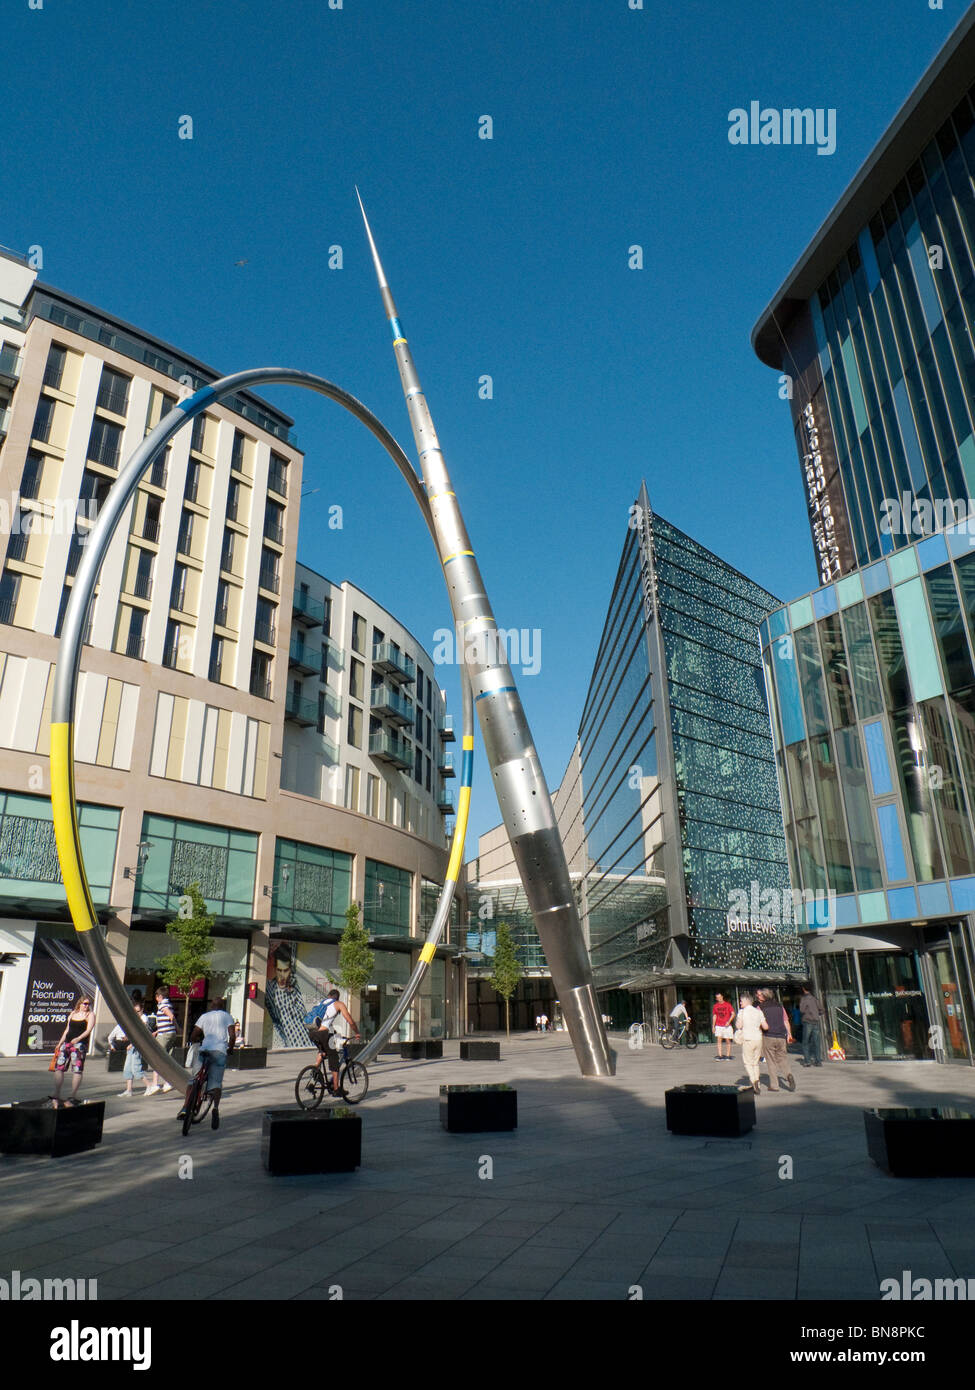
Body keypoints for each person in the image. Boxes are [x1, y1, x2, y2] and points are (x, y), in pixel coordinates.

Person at [178, 997, 236, 1130]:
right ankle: (215, 1108)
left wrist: (197, 1041)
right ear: (222, 1007)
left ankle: (186, 1107)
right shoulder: (227, 1016)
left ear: (211, 1006)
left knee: (193, 1079)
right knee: (216, 1083)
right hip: (219, 1051)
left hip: (204, 1050)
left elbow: (194, 1034)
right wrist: (230, 1049)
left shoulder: (204, 1016)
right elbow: (232, 1036)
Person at [306, 989, 360, 1097]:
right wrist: (357, 1032)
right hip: (324, 1034)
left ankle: (315, 1071)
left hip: (312, 1033)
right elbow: (349, 1020)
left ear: (329, 996)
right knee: (334, 1058)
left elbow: (326, 1023)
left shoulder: (322, 1003)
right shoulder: (338, 1004)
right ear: (337, 997)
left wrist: (334, 1033)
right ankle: (336, 1088)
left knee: (323, 1051)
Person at [265, 944, 312, 1047]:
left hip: (301, 1038)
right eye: (279, 970)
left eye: (286, 970)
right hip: (284, 1038)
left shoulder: (293, 983)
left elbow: (302, 1011)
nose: (282, 975)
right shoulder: (269, 987)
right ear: (275, 969)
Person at [52, 996, 95, 1107]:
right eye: (85, 1003)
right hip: (67, 1042)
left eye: (88, 1004)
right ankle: (56, 1093)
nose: (86, 1006)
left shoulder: (90, 1015)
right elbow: (67, 1030)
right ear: (80, 1003)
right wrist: (60, 1043)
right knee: (59, 1067)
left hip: (79, 1044)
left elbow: (88, 1030)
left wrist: (78, 1038)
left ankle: (73, 1095)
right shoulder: (73, 1013)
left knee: (77, 1069)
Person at [757, 988, 796, 1092]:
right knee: (782, 1058)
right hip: (781, 1036)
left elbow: (758, 1023)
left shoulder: (760, 1007)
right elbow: (786, 1021)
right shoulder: (780, 1006)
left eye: (760, 995)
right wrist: (789, 1034)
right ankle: (788, 1074)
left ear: (764, 996)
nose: (758, 997)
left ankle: (774, 1085)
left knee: (771, 1061)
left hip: (768, 1035)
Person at [145, 986, 178, 1095]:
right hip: (169, 1033)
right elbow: (167, 1020)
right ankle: (167, 1082)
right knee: (166, 1059)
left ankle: (155, 1084)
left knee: (157, 1058)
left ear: (159, 996)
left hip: (164, 1035)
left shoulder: (163, 1005)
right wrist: (158, 1031)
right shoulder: (169, 1004)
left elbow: (171, 1016)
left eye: (156, 997)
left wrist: (175, 1026)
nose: (156, 999)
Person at [118, 1002, 153, 1098]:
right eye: (134, 1011)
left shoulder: (144, 1019)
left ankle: (149, 1085)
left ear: (142, 1010)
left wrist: (132, 1043)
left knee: (136, 1069)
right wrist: (127, 1038)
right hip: (132, 1045)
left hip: (137, 1046)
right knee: (127, 1069)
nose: (136, 1013)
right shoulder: (134, 1019)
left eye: (138, 1011)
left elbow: (140, 1034)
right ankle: (129, 1090)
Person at [736, 991, 767, 1093]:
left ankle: (754, 1081)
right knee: (755, 1062)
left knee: (748, 1062)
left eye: (741, 1001)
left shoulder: (742, 1012)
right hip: (758, 1038)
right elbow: (765, 1026)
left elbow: (739, 1026)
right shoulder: (758, 1012)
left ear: (746, 1001)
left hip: (748, 1039)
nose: (740, 1003)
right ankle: (757, 1082)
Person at [799, 985, 824, 1067]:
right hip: (815, 1021)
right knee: (816, 1042)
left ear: (803, 989)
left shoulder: (804, 999)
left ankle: (807, 1061)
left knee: (805, 1042)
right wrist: (816, 1014)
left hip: (807, 1021)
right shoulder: (815, 999)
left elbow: (802, 1010)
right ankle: (818, 1061)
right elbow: (821, 1010)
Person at [712, 992, 736, 1059]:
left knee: (727, 1040)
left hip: (726, 1025)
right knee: (719, 1040)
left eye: (720, 997)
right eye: (717, 998)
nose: (719, 998)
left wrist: (729, 1021)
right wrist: (713, 1026)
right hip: (718, 1025)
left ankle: (728, 1055)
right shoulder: (715, 1006)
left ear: (722, 997)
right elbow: (714, 1016)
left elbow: (733, 1014)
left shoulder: (728, 1005)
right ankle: (720, 1055)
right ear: (716, 999)